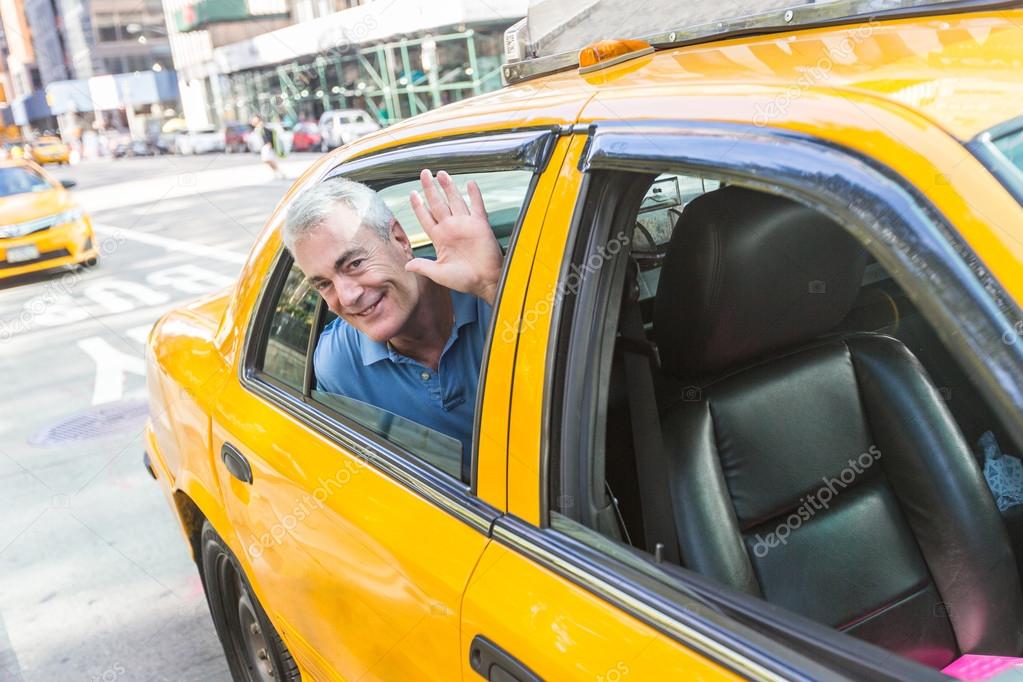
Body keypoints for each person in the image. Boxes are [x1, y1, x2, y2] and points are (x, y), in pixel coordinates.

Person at [283, 170, 502, 461]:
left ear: (400, 239)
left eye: (355, 263)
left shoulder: (497, 297)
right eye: (324, 283)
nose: (347, 296)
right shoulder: (338, 366)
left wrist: (493, 287)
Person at [251, 115, 285, 180]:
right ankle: (277, 172)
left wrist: (269, 145)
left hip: (267, 146)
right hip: (265, 146)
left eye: (254, 119)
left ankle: (279, 172)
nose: (253, 121)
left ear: (259, 120)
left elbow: (266, 136)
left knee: (268, 160)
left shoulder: (262, 127)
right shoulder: (258, 128)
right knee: (267, 160)